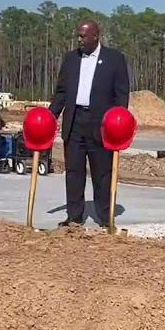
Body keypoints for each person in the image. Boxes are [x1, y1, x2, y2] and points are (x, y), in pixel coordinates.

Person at [48, 20, 130, 226]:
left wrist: (116, 123)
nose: (79, 39)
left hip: (100, 124)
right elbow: (61, 92)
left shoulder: (114, 59)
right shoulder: (71, 59)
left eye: (83, 36)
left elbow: (121, 95)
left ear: (95, 36)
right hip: (75, 122)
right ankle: (74, 217)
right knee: (74, 172)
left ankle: (104, 217)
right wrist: (51, 116)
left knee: (102, 173)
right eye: (78, 35)